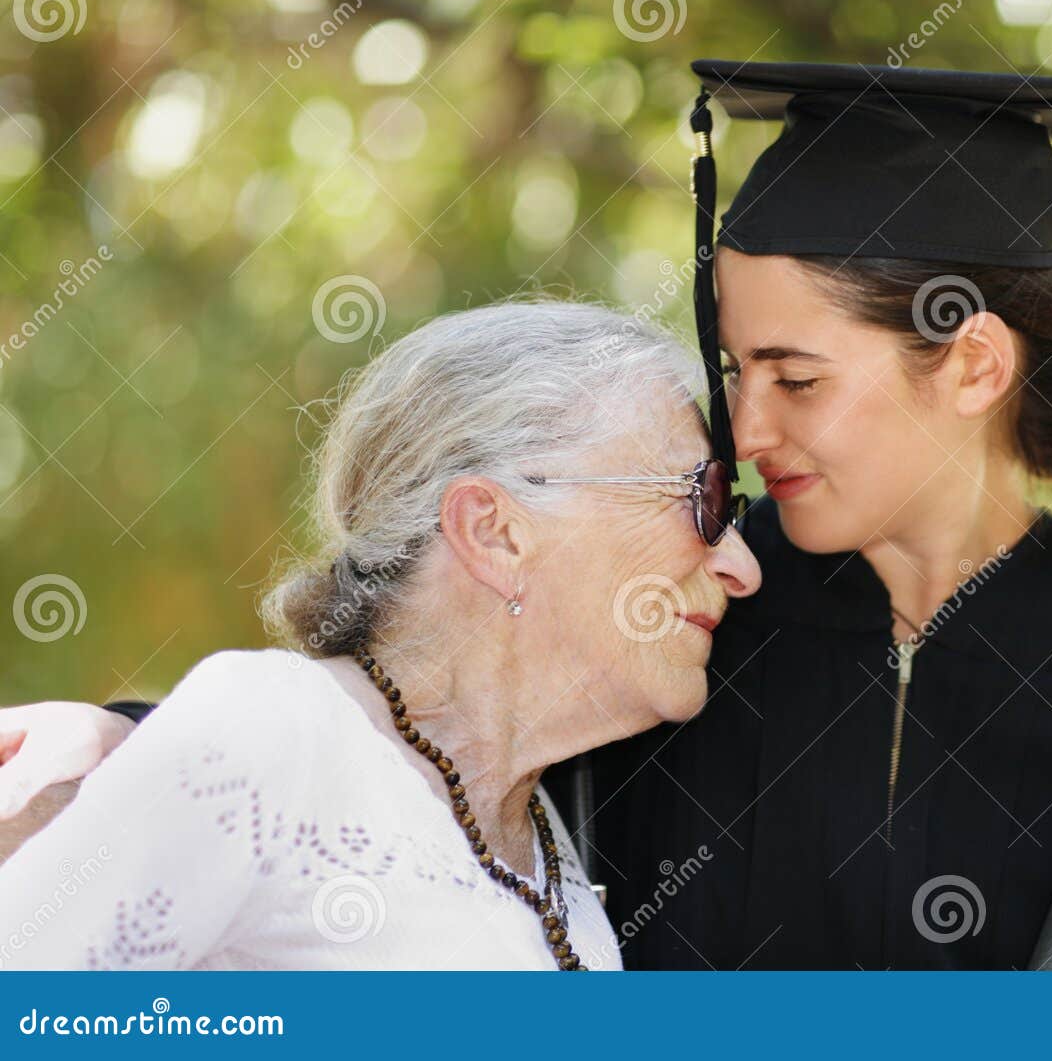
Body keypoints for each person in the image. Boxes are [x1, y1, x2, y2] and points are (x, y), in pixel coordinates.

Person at [2, 60, 1052, 971]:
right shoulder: (683, 610)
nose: (748, 429)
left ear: (969, 365)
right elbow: (413, 739)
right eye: (733, 369)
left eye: (794, 376)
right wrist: (130, 738)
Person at [0, 300, 760, 969]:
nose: (741, 563)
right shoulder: (269, 734)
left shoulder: (538, 836)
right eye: (702, 498)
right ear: (493, 532)